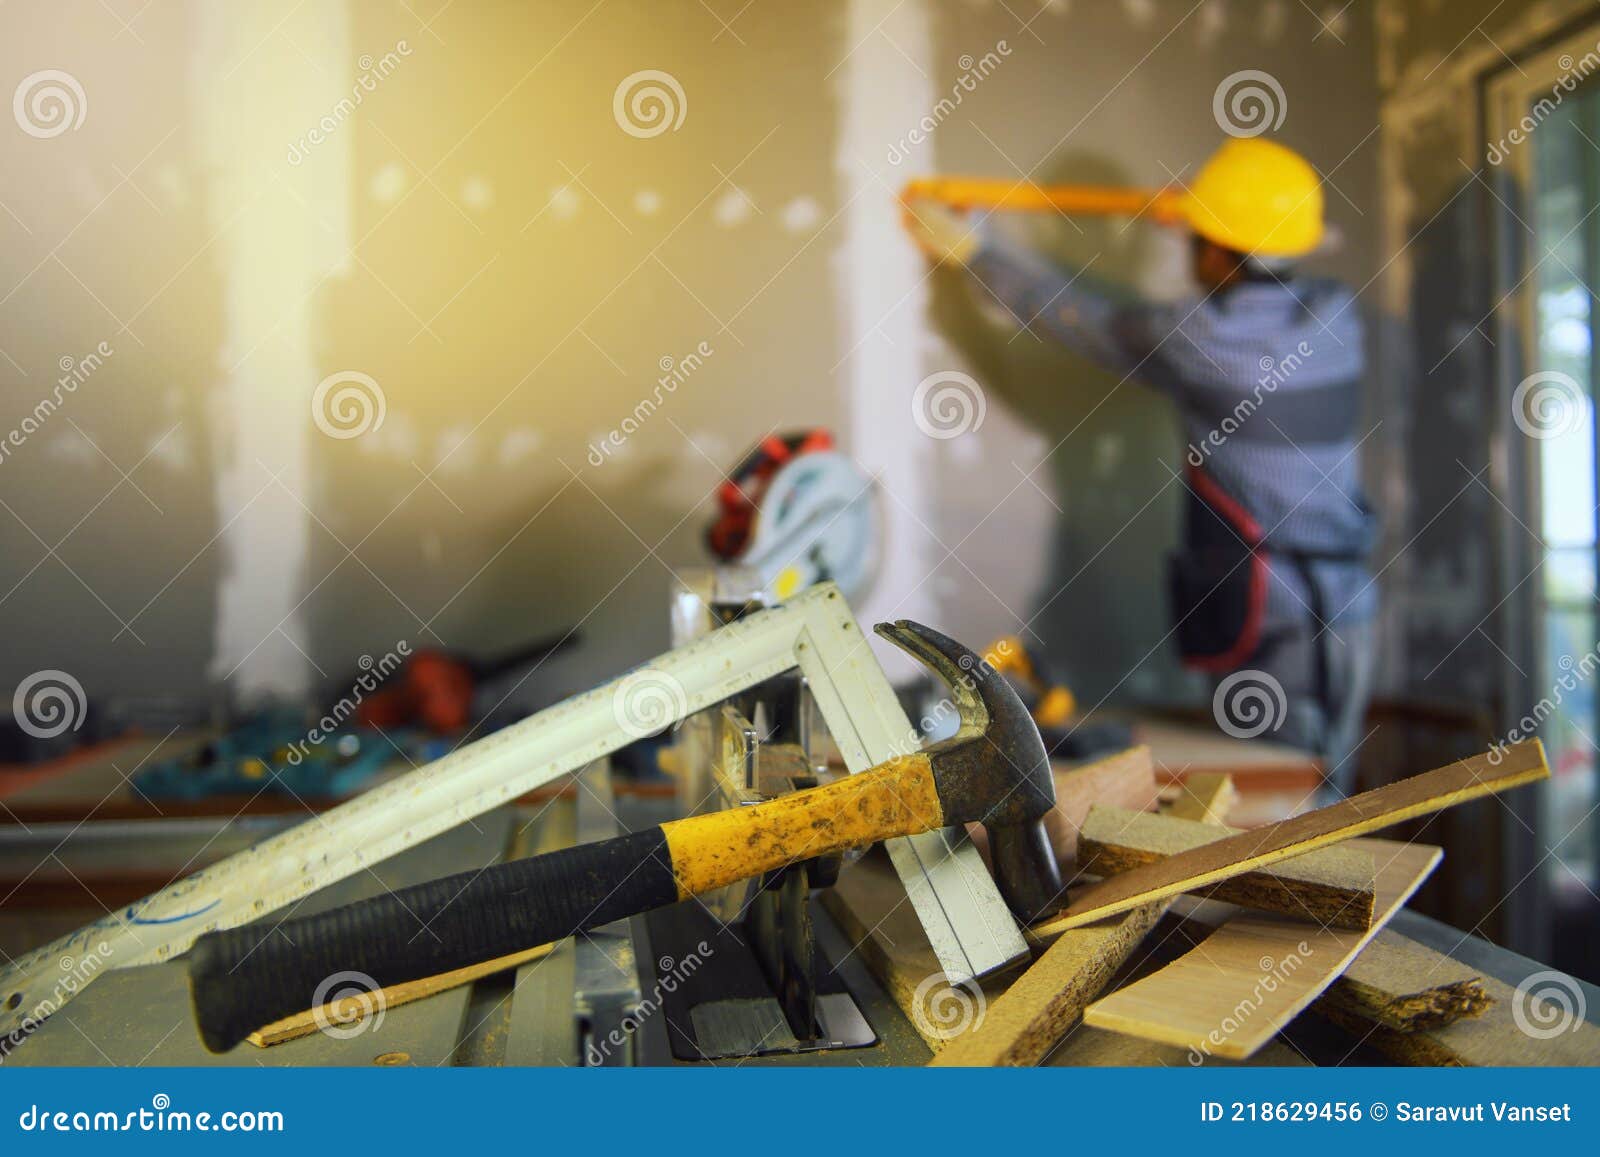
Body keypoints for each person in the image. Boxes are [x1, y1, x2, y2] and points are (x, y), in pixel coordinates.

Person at [903, 137, 1378, 797]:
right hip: (1350, 602)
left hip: (1274, 616)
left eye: (1195, 242)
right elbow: (1170, 300)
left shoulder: (1199, 339)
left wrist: (975, 252)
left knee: (1273, 802)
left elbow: (1082, 320)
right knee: (1323, 788)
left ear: (1213, 249)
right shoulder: (1337, 314)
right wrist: (1205, 219)